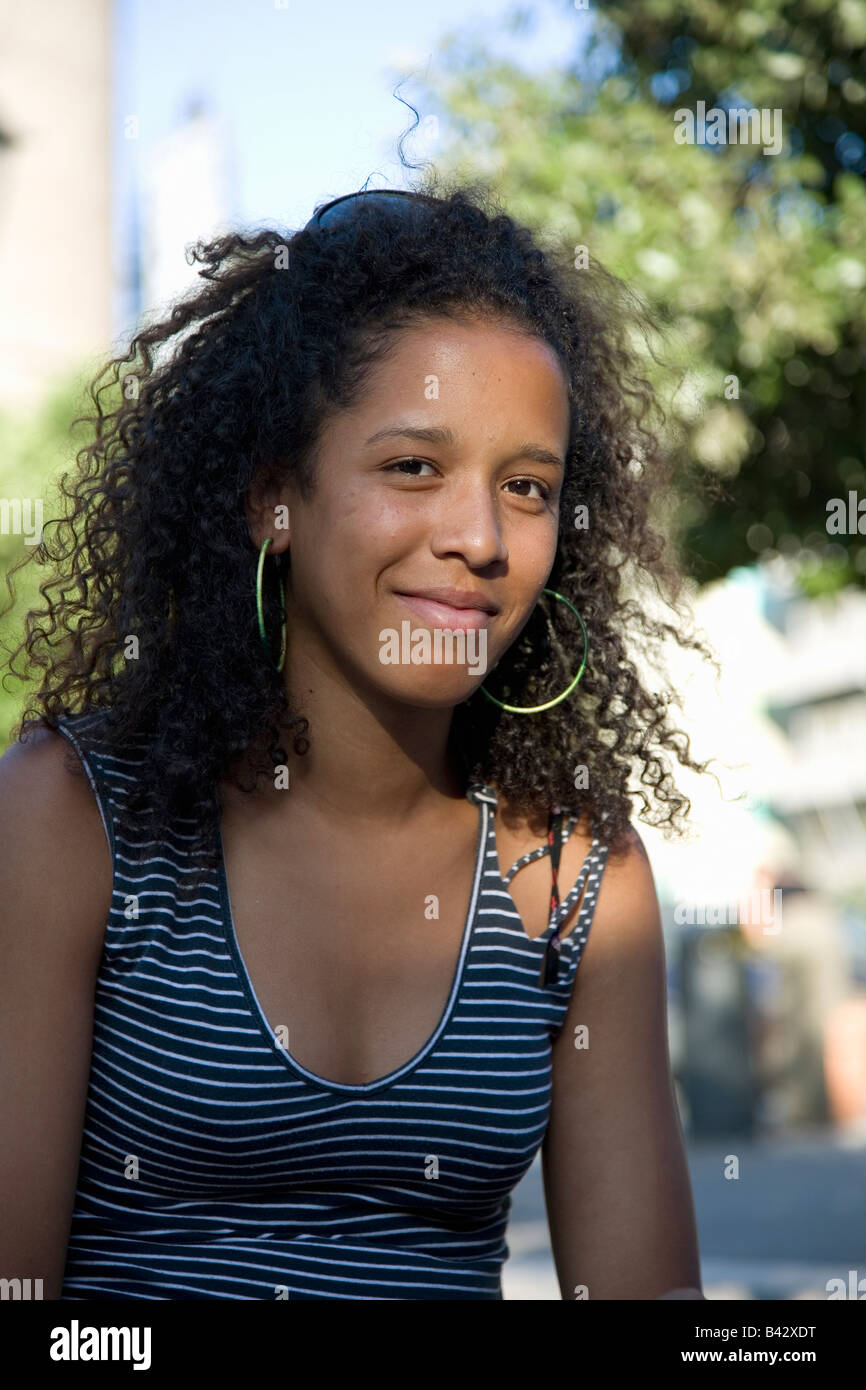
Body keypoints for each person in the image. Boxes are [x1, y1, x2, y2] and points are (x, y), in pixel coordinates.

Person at [0, 180, 710, 1300]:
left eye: (525, 487)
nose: (477, 537)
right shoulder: (75, 818)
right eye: (411, 467)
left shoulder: (575, 875)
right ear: (272, 499)